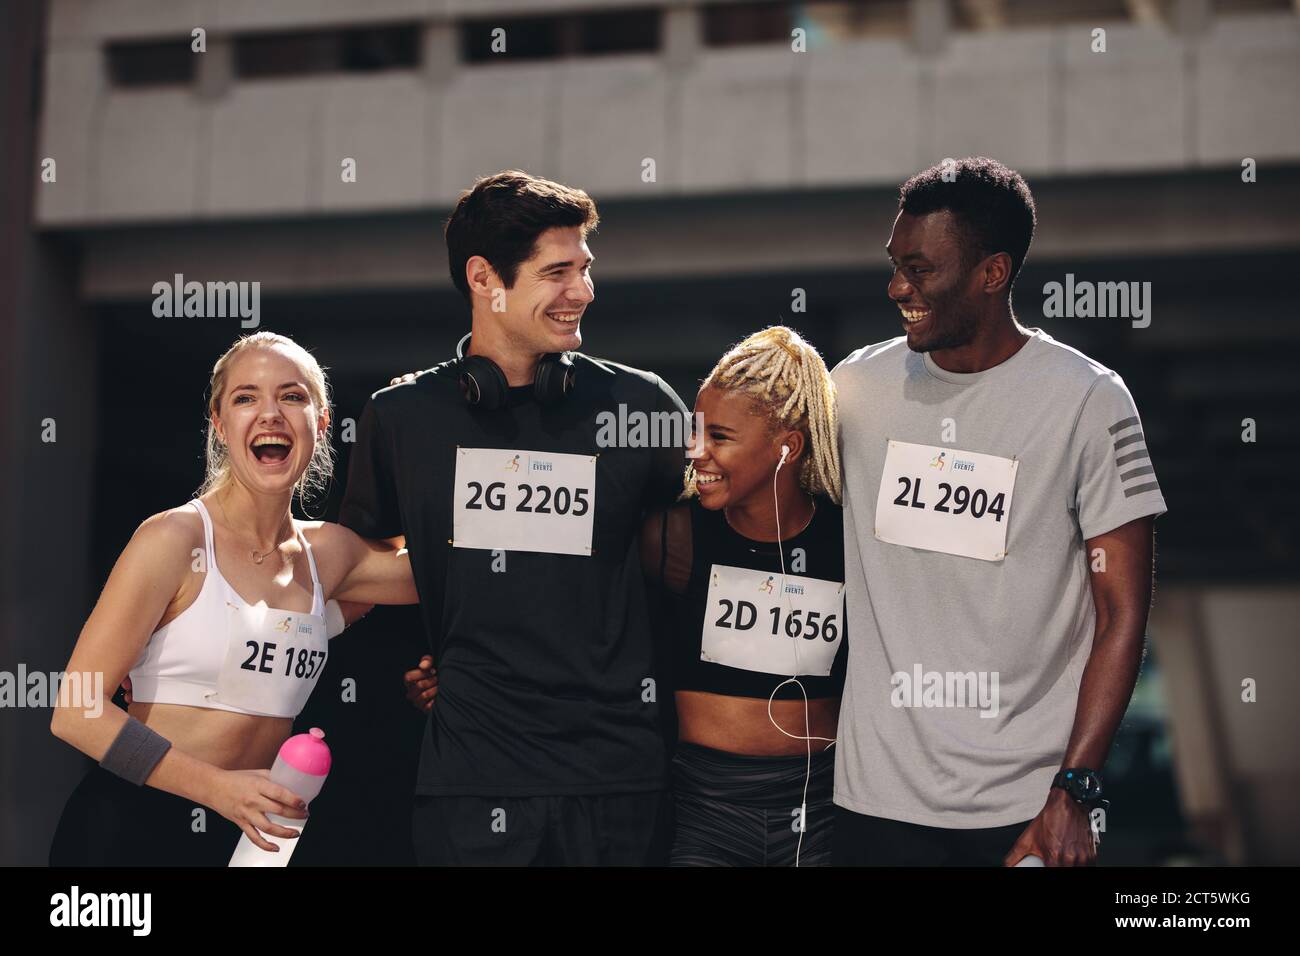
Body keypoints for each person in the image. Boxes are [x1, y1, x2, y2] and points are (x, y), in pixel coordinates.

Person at [339, 170, 692, 865]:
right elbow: (355, 571)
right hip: (471, 784)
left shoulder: (644, 405)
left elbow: (714, 546)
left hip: (620, 784)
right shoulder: (401, 416)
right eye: (557, 272)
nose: (583, 292)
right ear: (484, 278)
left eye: (585, 269)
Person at [831, 157, 1166, 866]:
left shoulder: (1089, 400)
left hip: (1027, 811)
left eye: (920, 269)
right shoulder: (854, 390)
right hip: (873, 806)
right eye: (894, 265)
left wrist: (1076, 788)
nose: (897, 287)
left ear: (992, 273)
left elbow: (1122, 612)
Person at [49, 332, 418, 866]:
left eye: (291, 396)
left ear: (320, 421)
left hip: (250, 841)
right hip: (131, 833)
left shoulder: (328, 554)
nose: (269, 413)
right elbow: (75, 712)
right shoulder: (173, 539)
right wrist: (218, 790)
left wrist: (409, 434)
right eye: (246, 398)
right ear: (220, 425)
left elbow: (432, 569)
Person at [640, 326, 847, 867]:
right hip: (704, 808)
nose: (696, 452)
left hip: (820, 808)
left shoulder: (848, 544)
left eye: (721, 437)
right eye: (696, 432)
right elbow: (582, 616)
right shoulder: (672, 536)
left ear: (787, 446)